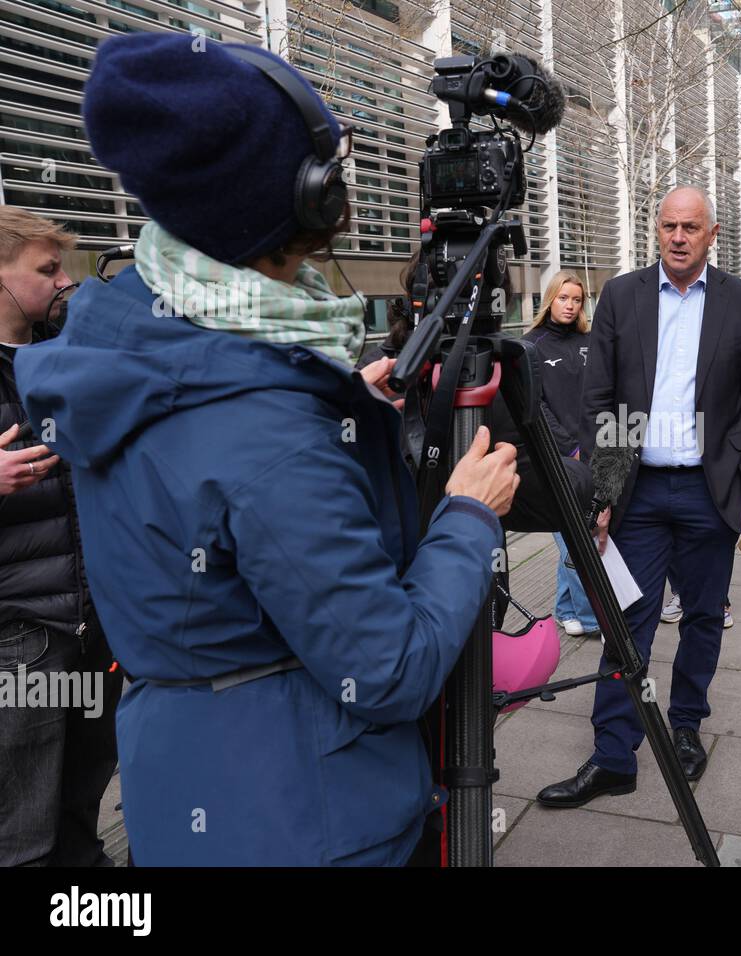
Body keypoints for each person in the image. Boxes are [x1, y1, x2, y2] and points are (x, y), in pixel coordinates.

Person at [17, 34, 518, 866]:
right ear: (305, 200)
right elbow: (388, 667)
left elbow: (207, 447)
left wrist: (341, 404)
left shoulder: (132, 325)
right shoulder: (268, 438)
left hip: (188, 790)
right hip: (307, 818)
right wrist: (468, 517)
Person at [536, 186, 741, 806]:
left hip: (708, 490)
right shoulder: (623, 295)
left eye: (690, 227)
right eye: (668, 225)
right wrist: (607, 490)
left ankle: (687, 727)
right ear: (657, 230)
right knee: (627, 621)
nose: (677, 236)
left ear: (712, 234)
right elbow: (602, 398)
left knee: (702, 617)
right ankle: (614, 754)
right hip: (639, 491)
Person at [0, 207, 124, 866]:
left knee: (81, 804)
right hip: (20, 640)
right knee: (21, 830)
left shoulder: (65, 359)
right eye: (46, 269)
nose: (61, 283)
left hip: (89, 627)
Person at [524, 270, 599, 637]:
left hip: (592, 452)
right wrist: (567, 446)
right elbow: (534, 406)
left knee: (577, 533)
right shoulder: (531, 345)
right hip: (558, 456)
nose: (570, 305)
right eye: (563, 298)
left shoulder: (591, 341)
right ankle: (588, 617)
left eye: (577, 299)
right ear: (550, 299)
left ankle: (565, 608)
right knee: (576, 536)